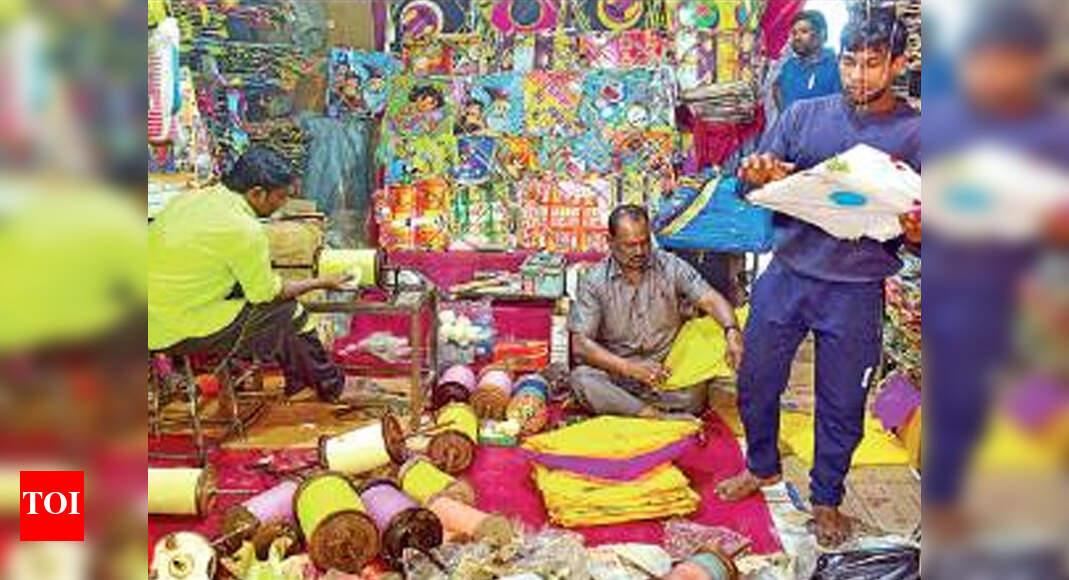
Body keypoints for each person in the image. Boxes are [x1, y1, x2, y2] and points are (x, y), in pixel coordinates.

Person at [715, 10, 921, 547]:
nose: (857, 76)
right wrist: (752, 174)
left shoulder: (919, 133)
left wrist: (921, 230)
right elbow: (749, 186)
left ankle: (827, 496)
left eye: (873, 64)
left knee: (841, 403)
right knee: (756, 380)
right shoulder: (804, 116)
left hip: (854, 291)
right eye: (849, 62)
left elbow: (929, 232)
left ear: (899, 64)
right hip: (787, 274)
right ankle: (761, 466)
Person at [922, 1, 1069, 542]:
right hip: (962, 294)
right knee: (957, 407)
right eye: (983, 62)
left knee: (1030, 413)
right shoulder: (949, 123)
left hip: (1038, 301)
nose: (993, 74)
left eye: (1008, 61)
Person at [148, 147, 354, 402]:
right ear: (256, 193)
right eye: (279, 197)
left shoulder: (189, 200)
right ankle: (331, 386)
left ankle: (298, 381)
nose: (282, 205)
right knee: (287, 313)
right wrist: (324, 281)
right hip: (176, 326)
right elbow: (265, 294)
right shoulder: (244, 229)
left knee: (264, 306)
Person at [569, 205, 744, 419]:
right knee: (582, 379)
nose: (640, 252)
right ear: (610, 242)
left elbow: (709, 298)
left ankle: (630, 410)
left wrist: (732, 330)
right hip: (618, 377)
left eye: (644, 243)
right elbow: (580, 345)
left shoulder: (670, 266)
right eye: (630, 245)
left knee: (695, 393)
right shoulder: (594, 282)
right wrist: (630, 368)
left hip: (666, 377)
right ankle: (655, 415)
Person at [772, 10, 842, 113]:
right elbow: (776, 87)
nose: (797, 38)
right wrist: (785, 118)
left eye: (804, 31)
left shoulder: (836, 66)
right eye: (794, 33)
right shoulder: (789, 66)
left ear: (822, 34)